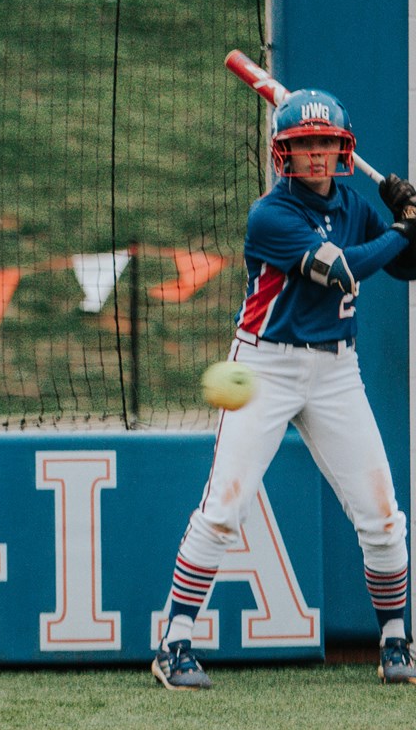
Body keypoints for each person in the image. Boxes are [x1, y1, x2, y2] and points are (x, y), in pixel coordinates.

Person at [153, 89, 416, 690]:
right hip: (263, 370)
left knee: (383, 519)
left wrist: (409, 223)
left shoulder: (353, 205)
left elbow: (406, 266)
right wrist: (404, 227)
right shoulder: (270, 215)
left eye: (326, 143)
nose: (316, 154)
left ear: (342, 149)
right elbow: (343, 269)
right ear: (283, 155)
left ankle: (396, 640)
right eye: (304, 145)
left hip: (335, 372)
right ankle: (175, 642)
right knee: (223, 510)